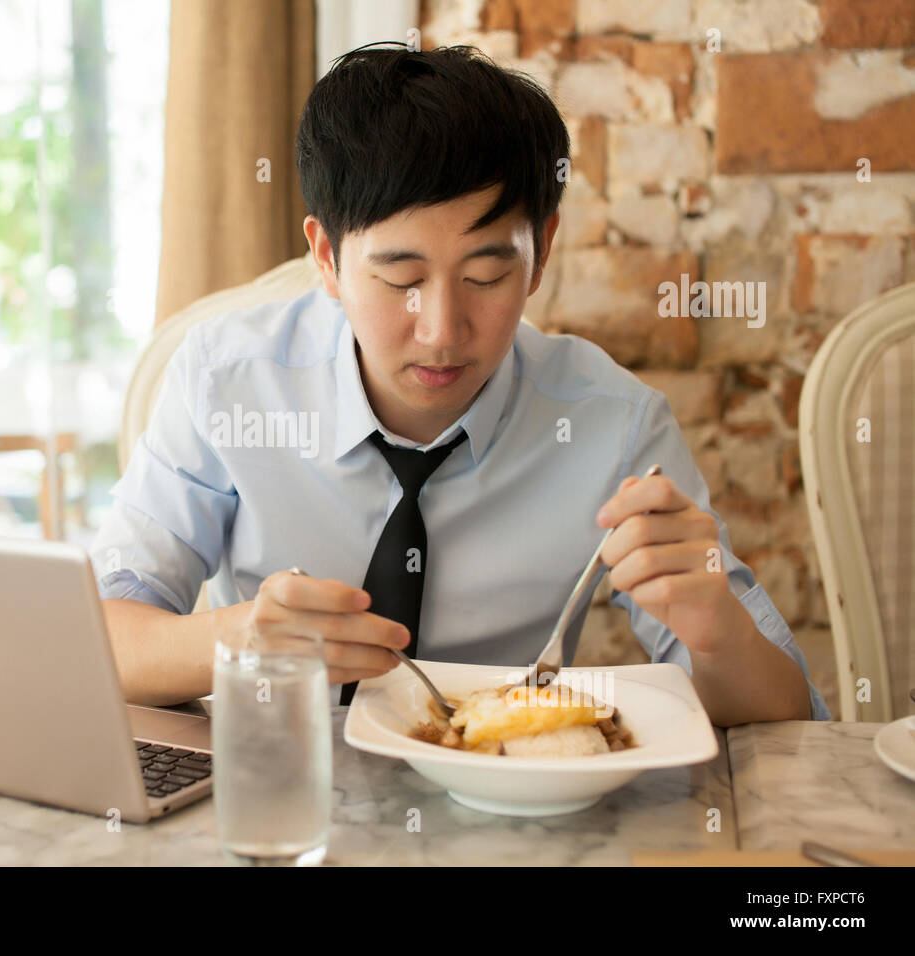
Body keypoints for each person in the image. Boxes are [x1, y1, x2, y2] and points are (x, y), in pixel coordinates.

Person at [89, 42, 829, 725]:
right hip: (277, 800)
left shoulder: (613, 424)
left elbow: (790, 723)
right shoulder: (229, 382)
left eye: (486, 275)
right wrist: (239, 637)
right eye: (400, 277)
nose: (442, 328)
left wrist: (717, 631)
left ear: (542, 253)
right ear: (325, 257)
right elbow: (99, 640)